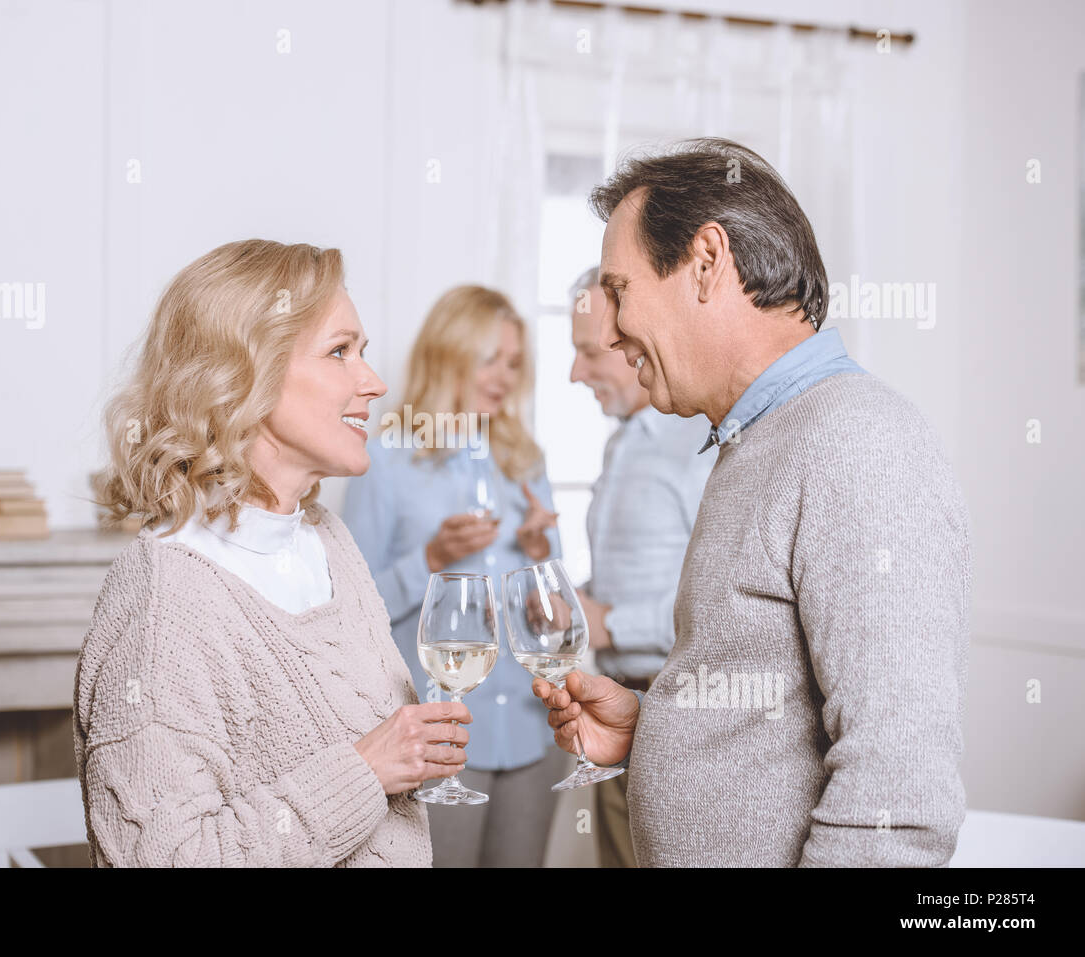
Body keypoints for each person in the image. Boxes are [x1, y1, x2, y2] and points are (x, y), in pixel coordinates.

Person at [535, 138, 971, 867]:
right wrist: (653, 734)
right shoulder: (759, 436)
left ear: (707, 261)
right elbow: (780, 728)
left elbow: (898, 798)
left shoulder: (857, 441)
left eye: (619, 289)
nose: (608, 331)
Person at [77, 239, 473, 867]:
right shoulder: (164, 600)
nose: (373, 382)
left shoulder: (328, 542)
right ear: (243, 374)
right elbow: (169, 858)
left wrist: (407, 760)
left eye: (363, 353)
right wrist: (366, 771)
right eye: (340, 352)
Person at [342, 285, 566, 867]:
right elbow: (350, 612)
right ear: (449, 356)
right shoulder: (386, 456)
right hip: (433, 737)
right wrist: (432, 559)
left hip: (528, 727)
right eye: (487, 358)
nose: (503, 376)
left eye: (514, 362)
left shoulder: (525, 460)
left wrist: (541, 558)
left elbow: (553, 621)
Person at [566, 265, 713, 868]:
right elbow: (646, 572)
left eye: (587, 352)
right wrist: (576, 601)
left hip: (679, 722)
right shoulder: (622, 441)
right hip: (616, 717)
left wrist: (610, 624)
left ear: (634, 337)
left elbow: (726, 607)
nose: (576, 373)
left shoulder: (697, 445)